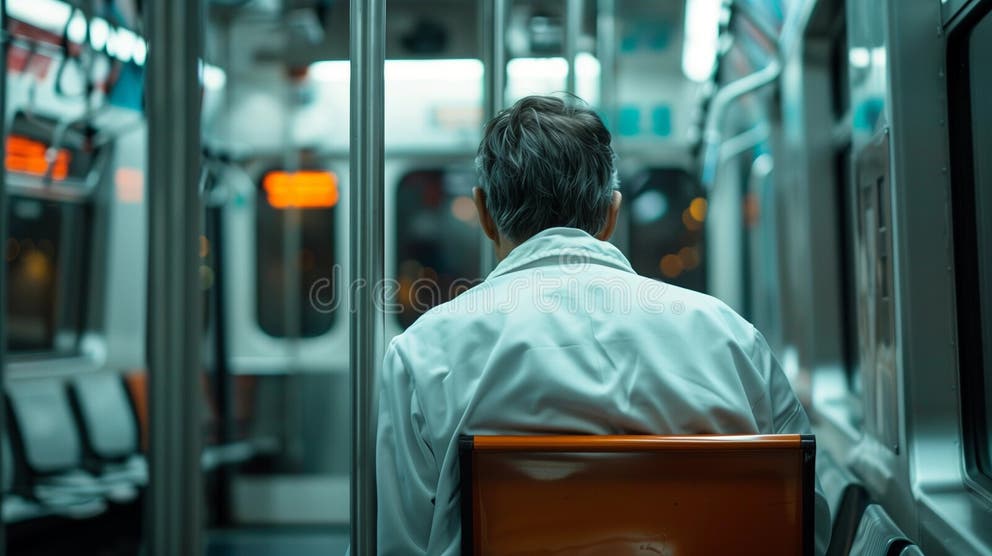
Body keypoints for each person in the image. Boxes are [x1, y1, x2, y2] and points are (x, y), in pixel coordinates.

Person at [375, 95, 830, 554]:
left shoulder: (423, 353)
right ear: (612, 214)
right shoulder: (732, 340)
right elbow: (805, 526)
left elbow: (403, 543)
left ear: (485, 214)